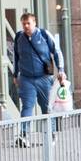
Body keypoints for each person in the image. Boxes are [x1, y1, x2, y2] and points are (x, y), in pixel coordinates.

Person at [13, 12, 66, 147]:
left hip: (43, 78)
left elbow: (57, 51)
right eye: (23, 24)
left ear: (34, 23)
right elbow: (16, 57)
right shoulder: (19, 37)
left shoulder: (43, 35)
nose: (26, 26)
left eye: (28, 23)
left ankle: (51, 134)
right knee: (27, 107)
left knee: (46, 107)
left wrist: (60, 70)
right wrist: (15, 75)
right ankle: (24, 136)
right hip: (26, 78)